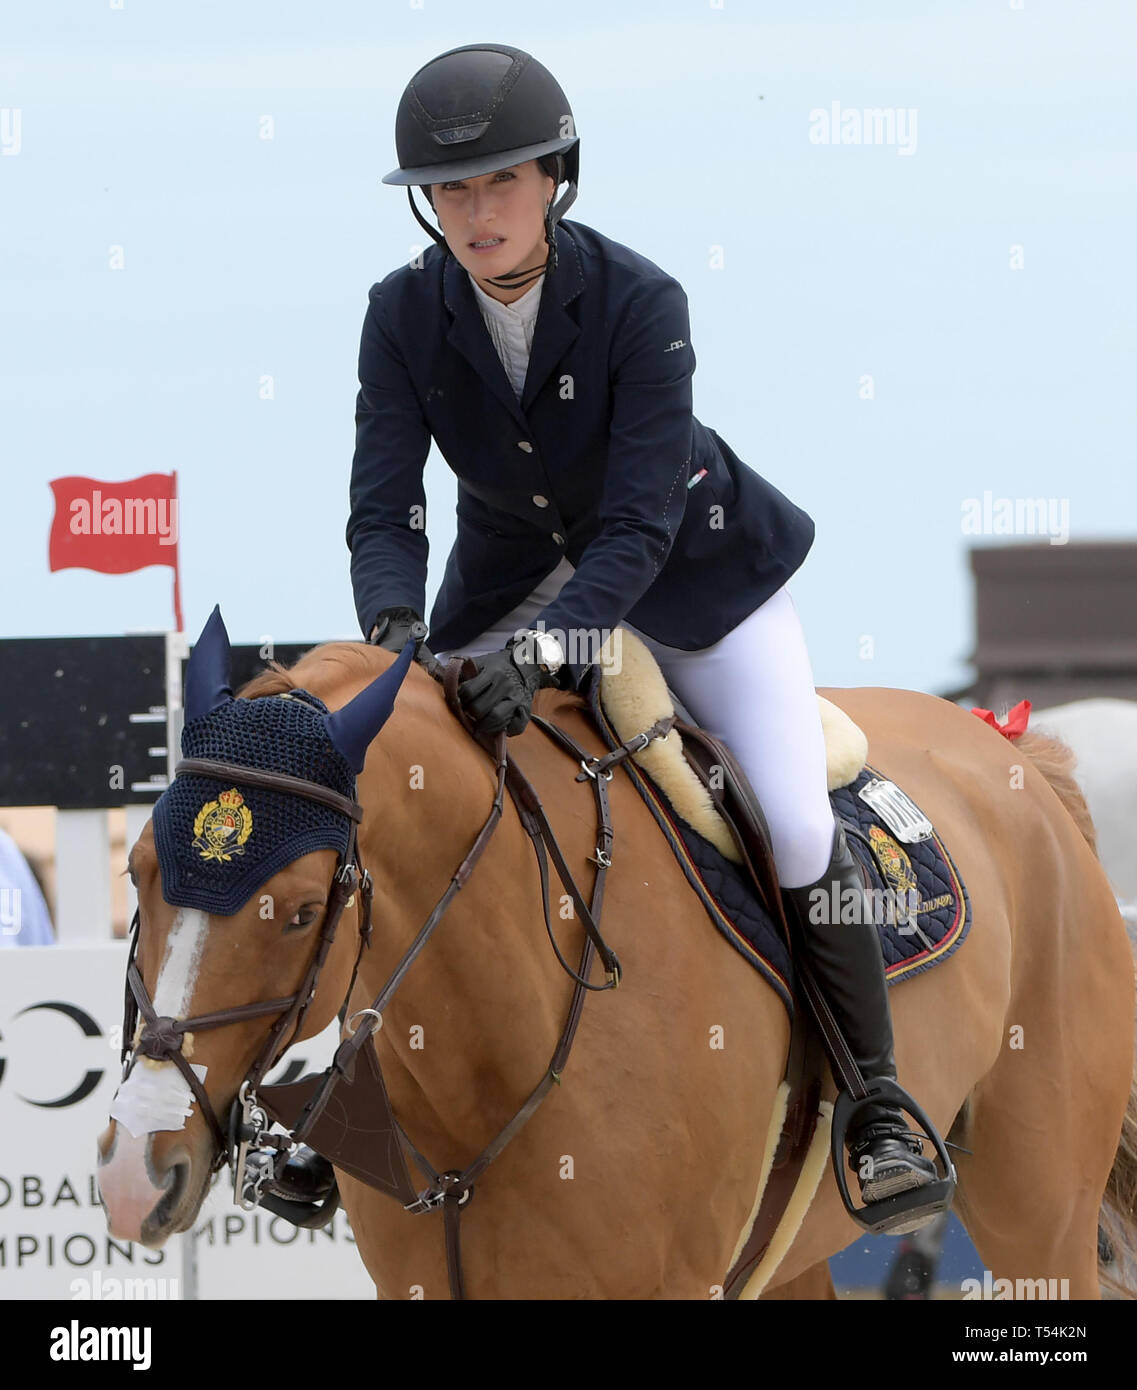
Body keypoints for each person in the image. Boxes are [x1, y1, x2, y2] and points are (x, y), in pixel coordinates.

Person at [345, 42, 938, 1220]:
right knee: (397, 794)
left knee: (790, 812)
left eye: (501, 181)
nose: (477, 212)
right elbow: (386, 501)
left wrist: (555, 649)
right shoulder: (401, 313)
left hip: (693, 577)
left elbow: (636, 520)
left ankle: (876, 1099)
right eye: (452, 190)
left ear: (556, 175)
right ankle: (336, 1102)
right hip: (508, 585)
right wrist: (396, 630)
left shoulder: (641, 299)